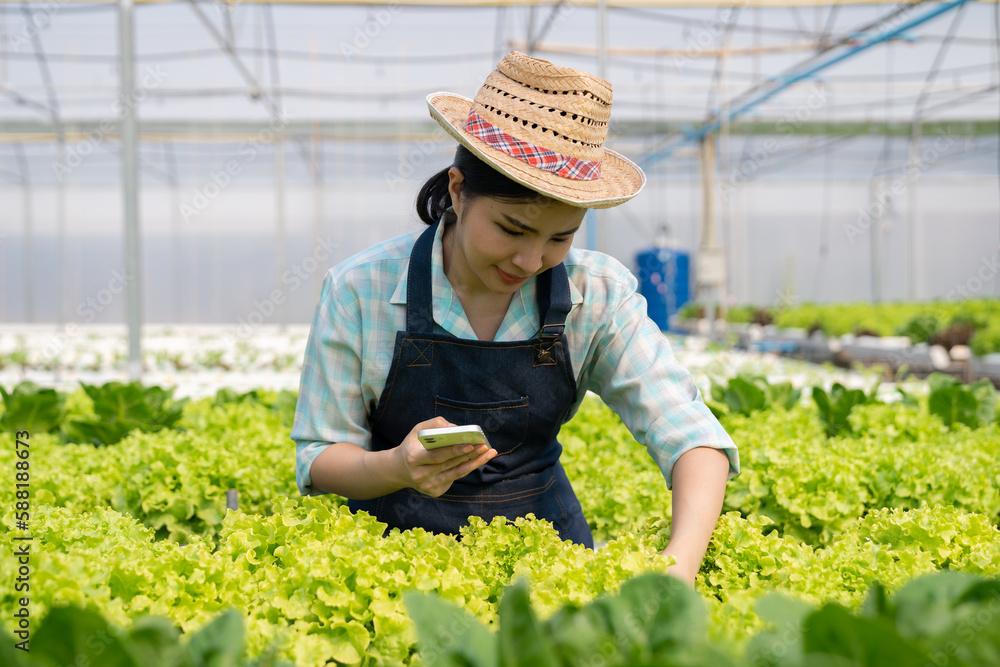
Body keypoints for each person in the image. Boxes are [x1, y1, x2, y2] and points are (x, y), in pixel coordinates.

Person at [292, 51, 739, 587]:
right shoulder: (358, 292)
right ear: (458, 190)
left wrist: (678, 569)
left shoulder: (595, 293)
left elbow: (693, 439)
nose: (530, 261)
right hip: (390, 572)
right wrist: (394, 467)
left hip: (547, 567)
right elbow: (321, 455)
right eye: (511, 229)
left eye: (560, 237)